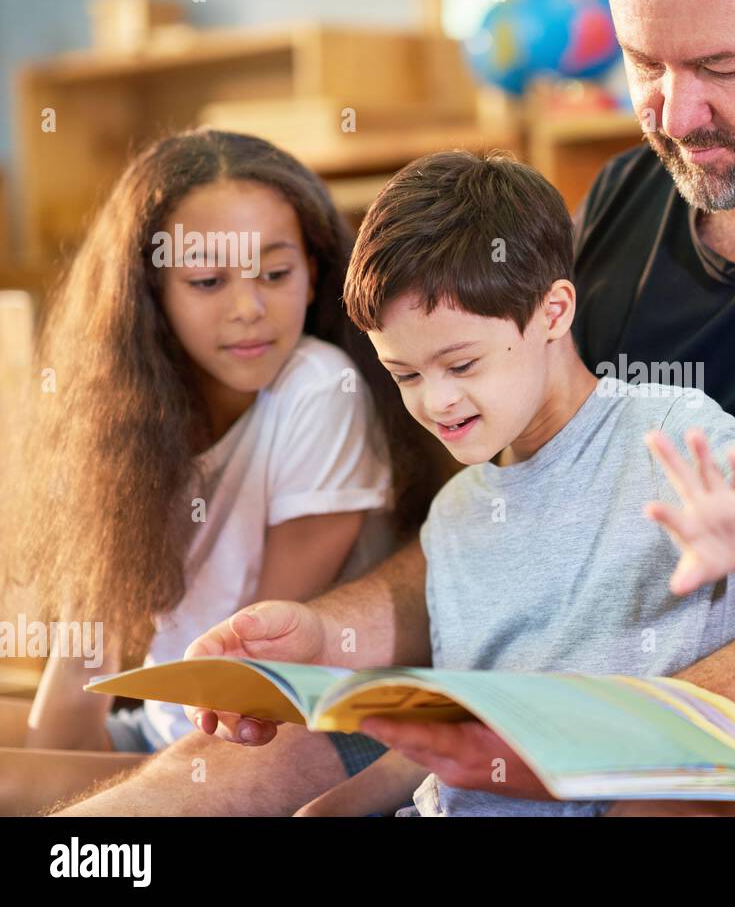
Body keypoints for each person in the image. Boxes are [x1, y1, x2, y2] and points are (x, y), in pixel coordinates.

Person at [56, 0, 735, 817]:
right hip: (598, 667)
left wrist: (551, 730)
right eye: (644, 62)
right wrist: (338, 634)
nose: (676, 114)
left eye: (721, 64)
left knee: (657, 795)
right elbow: (516, 521)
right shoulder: (641, 187)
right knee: (279, 742)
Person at [200, 149, 735, 816]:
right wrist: (330, 808)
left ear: (553, 312)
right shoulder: (456, 514)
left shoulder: (659, 432)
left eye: (461, 363)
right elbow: (458, 732)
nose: (437, 401)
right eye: (407, 374)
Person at [0, 130, 445, 815]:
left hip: (275, 738)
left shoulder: (318, 389)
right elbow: (74, 685)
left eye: (276, 273)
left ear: (317, 269)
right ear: (149, 291)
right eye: (208, 280)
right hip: (161, 734)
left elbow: (245, 691)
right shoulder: (123, 421)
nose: (248, 308)